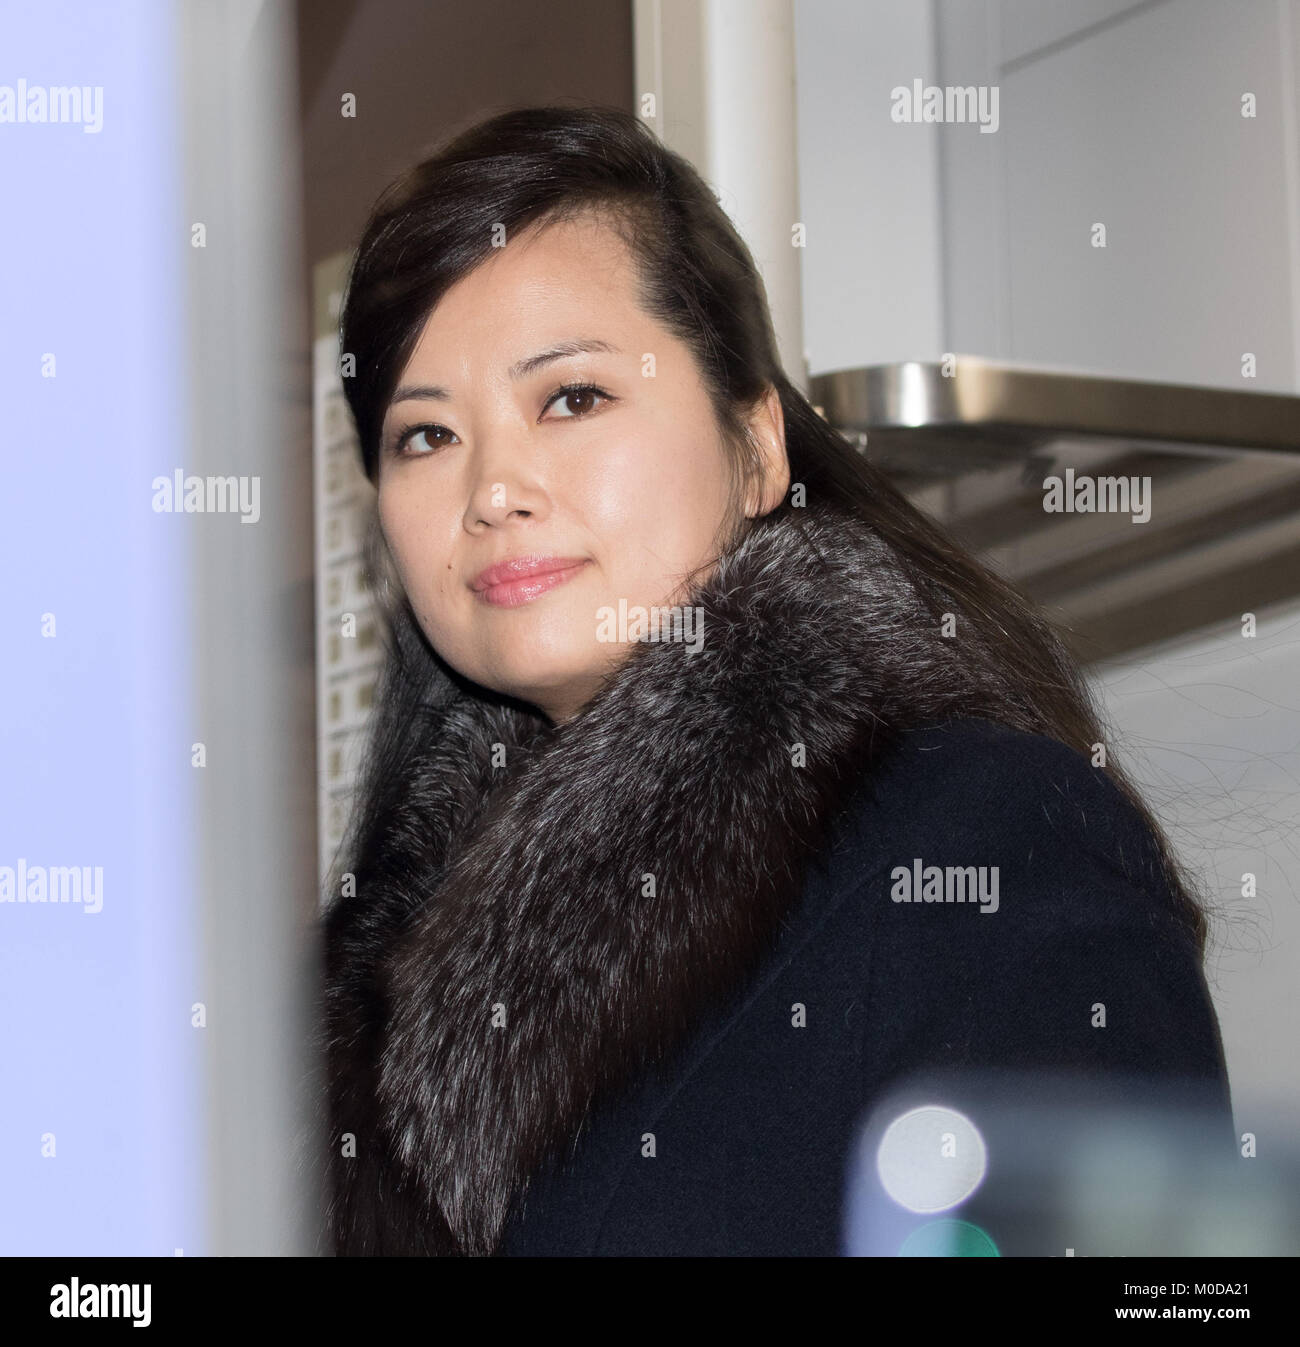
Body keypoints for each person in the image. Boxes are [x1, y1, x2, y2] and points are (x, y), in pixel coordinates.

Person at [317, 104, 1231, 1257]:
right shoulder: (356, 995)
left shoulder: (982, 838)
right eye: (424, 437)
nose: (493, 487)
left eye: (572, 398)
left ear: (756, 448)